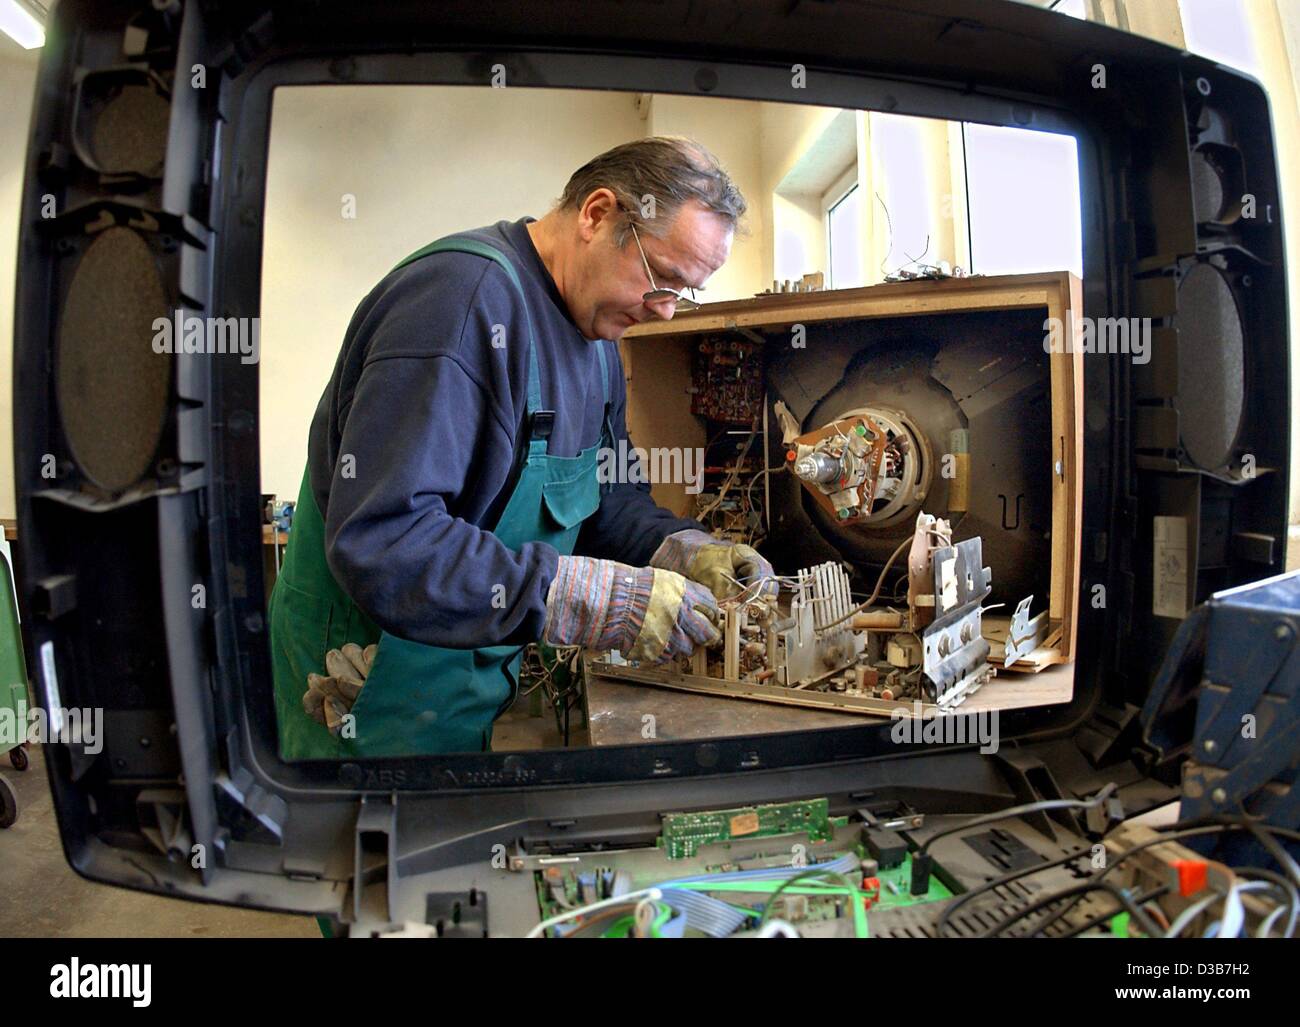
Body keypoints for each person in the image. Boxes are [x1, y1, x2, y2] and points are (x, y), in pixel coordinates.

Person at [269, 137, 775, 758]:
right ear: (597, 214)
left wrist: (683, 552)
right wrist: (586, 599)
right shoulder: (457, 303)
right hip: (366, 678)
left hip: (462, 683)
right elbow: (384, 540)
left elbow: (607, 500)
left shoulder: (597, 342)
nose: (666, 313)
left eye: (684, 293)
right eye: (662, 279)